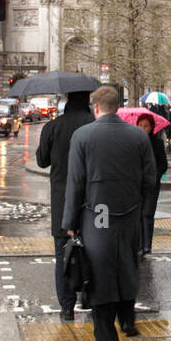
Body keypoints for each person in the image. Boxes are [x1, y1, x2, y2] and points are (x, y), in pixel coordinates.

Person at [62, 86, 156, 341]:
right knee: (127, 268)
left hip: (96, 217)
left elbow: (76, 182)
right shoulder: (139, 137)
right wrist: (135, 203)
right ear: (118, 106)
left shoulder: (82, 136)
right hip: (128, 216)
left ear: (96, 107)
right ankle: (127, 322)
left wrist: (70, 222)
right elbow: (150, 179)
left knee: (99, 275)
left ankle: (105, 339)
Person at [36, 90, 95, 321]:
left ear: (67, 100)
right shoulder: (94, 125)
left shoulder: (54, 126)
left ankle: (67, 307)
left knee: (63, 255)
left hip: (62, 202)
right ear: (88, 101)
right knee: (93, 252)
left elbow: (42, 161)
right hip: (91, 201)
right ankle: (90, 299)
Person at [136, 113, 168, 255]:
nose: (143, 128)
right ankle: (138, 244)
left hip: (152, 185)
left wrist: (155, 177)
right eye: (140, 125)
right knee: (137, 215)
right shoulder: (133, 142)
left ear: (151, 127)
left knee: (147, 214)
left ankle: (147, 245)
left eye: (146, 126)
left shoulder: (157, 143)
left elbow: (163, 164)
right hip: (136, 185)